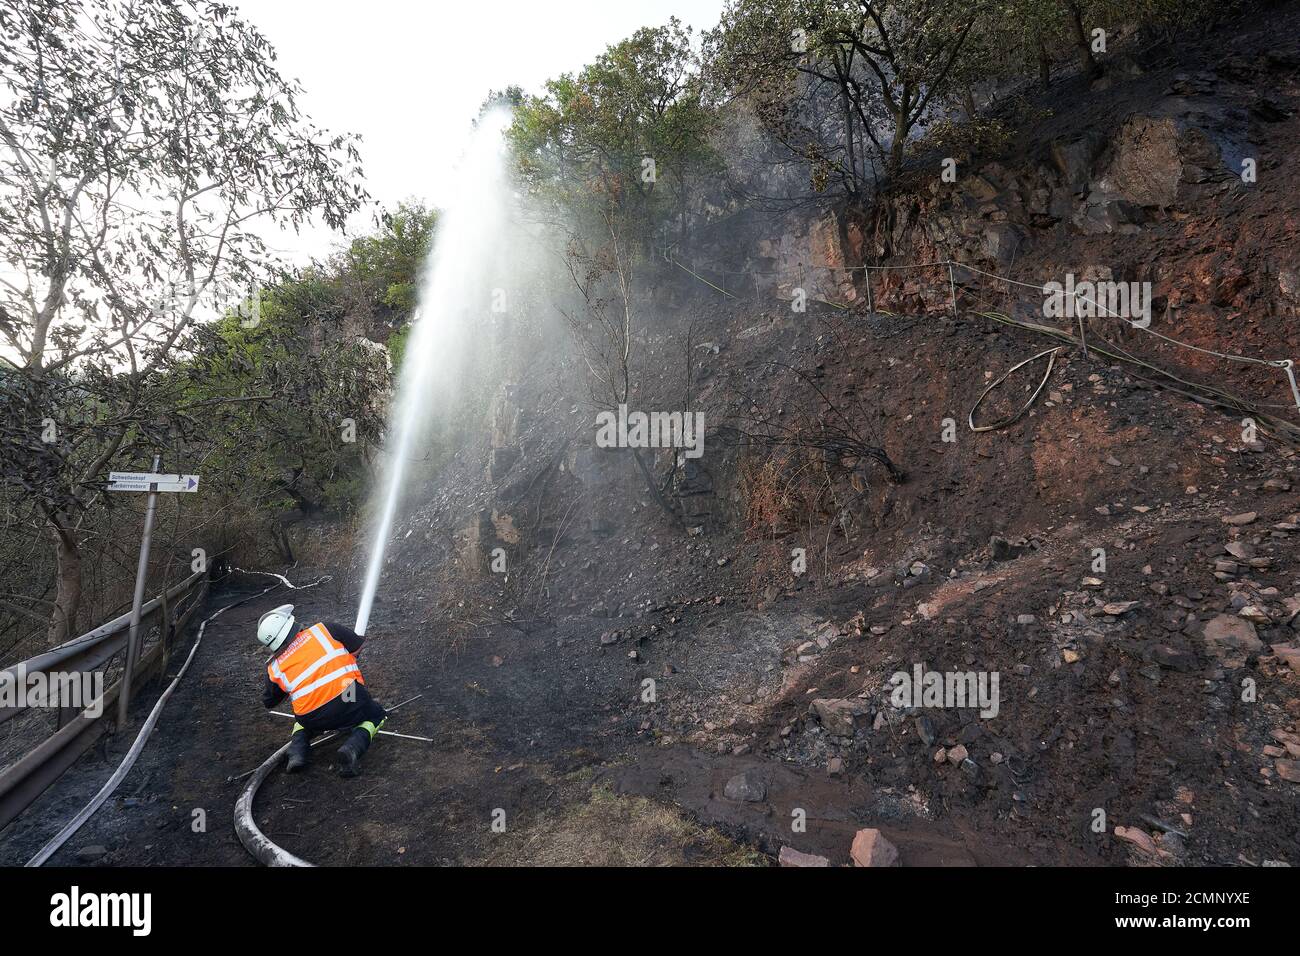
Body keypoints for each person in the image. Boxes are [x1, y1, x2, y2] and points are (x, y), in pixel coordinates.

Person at [255, 604, 387, 777]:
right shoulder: (324, 629)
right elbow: (357, 647)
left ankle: (297, 752)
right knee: (376, 714)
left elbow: (270, 701)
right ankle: (352, 748)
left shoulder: (274, 667)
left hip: (312, 717)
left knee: (301, 721)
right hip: (349, 701)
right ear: (290, 624)